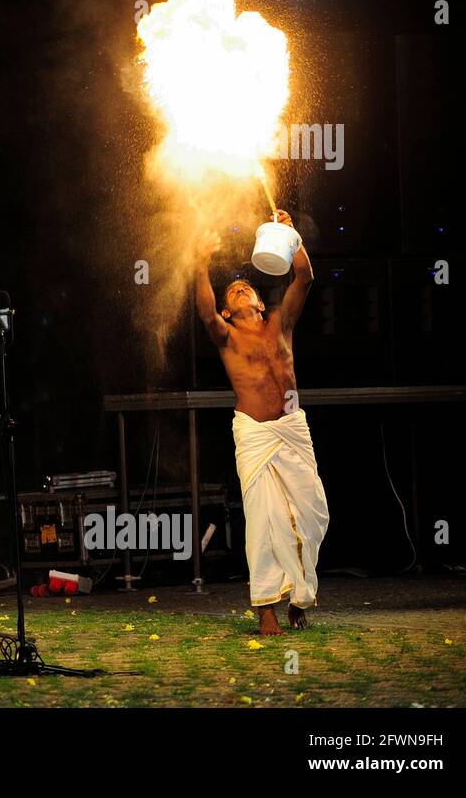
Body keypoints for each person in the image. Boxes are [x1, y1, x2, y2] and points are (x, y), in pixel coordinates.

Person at [195, 211, 328, 635]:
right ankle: (267, 609)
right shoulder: (227, 337)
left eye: (245, 286)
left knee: (311, 514)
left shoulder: (280, 324)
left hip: (292, 429)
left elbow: (304, 276)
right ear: (227, 311)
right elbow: (202, 311)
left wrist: (290, 235)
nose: (239, 288)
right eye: (231, 290)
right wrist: (200, 259)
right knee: (264, 522)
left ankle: (299, 595)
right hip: (255, 433)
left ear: (256, 301)